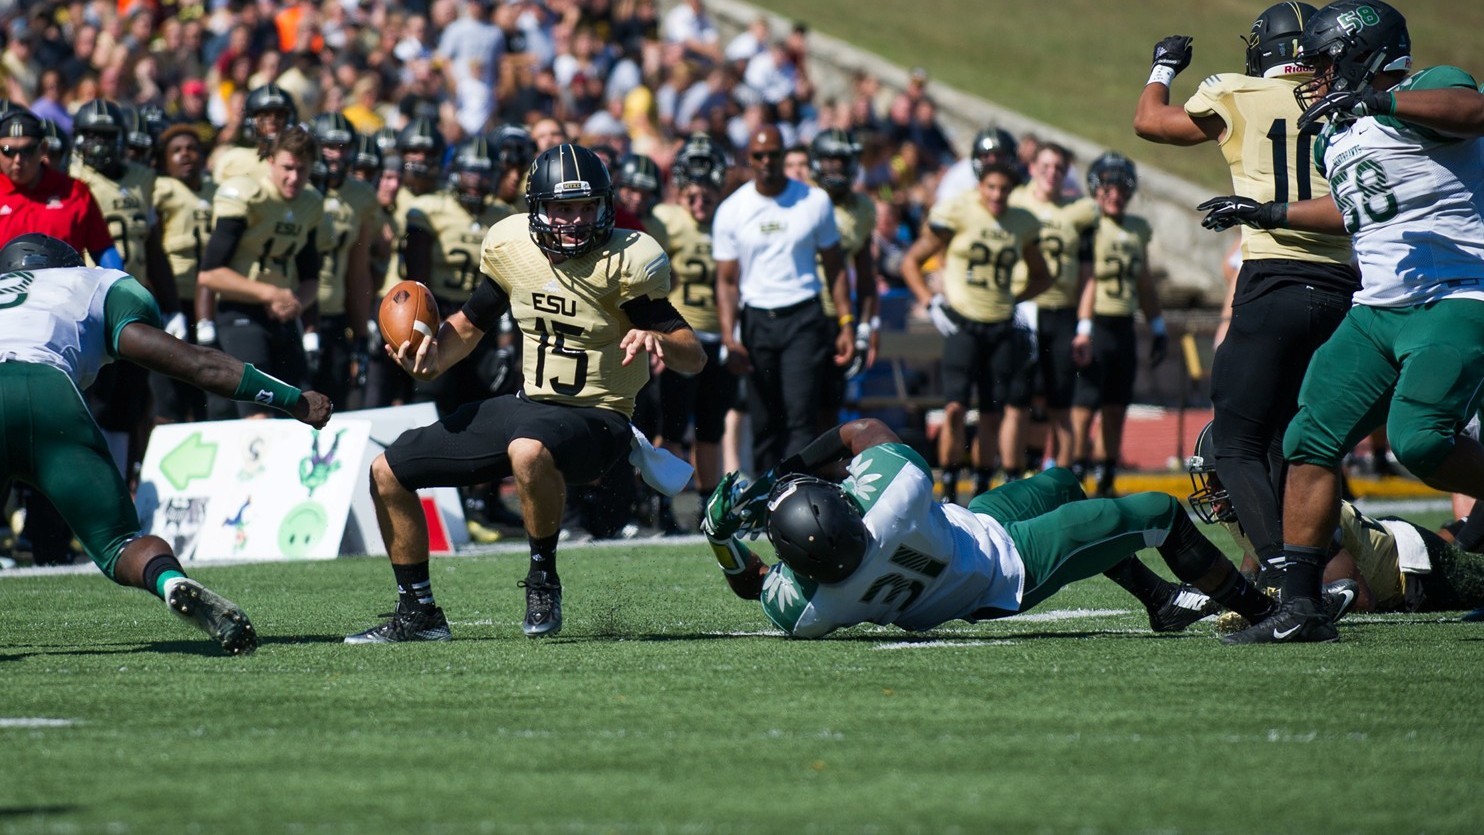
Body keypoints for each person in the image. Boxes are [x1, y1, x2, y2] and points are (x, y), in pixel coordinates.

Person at [1198, 0, 1484, 642]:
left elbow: (1474, 115)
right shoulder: (1336, 133)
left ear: (1363, 55)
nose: (1313, 74)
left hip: (1457, 296)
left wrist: (1380, 104)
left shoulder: (1431, 88)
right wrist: (1269, 213)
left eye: (1324, 61)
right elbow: (1351, 212)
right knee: (1308, 438)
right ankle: (1301, 605)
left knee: (1419, 439)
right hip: (1375, 308)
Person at [346, 143, 706, 643]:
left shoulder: (627, 260)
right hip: (531, 404)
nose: (577, 221)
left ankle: (542, 579)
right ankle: (419, 613)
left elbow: (694, 355)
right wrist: (430, 359)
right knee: (387, 471)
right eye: (563, 209)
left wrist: (658, 339)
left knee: (528, 448)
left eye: (586, 207)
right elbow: (470, 323)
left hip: (601, 419)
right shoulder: (513, 246)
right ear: (536, 209)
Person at [0, 233, 332, 654]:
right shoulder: (93, 283)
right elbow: (198, 365)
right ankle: (169, 580)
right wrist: (293, 399)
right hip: (48, 393)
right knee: (121, 544)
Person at [1133, 4, 1359, 587]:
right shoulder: (1344, 101)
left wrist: (1163, 67)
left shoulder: (1236, 93)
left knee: (1235, 443)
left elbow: (1150, 123)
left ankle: (1285, 579)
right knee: (1293, 436)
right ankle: (1317, 572)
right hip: (1343, 288)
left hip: (1273, 279)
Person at [699, 418, 1277, 638]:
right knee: (1157, 512)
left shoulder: (809, 608)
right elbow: (861, 430)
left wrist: (721, 538)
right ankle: (1261, 612)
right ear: (846, 507)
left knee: (1060, 484)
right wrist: (785, 473)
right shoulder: (895, 496)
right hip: (1002, 567)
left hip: (959, 547)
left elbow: (754, 584)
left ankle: (1159, 600)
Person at [1186, 421, 1481, 618]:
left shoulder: (1296, 513)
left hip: (1414, 570)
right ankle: (1465, 526)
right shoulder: (1247, 507)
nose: (1210, 491)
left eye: (1216, 479)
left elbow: (1360, 597)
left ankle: (1470, 524)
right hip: (1381, 543)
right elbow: (1257, 556)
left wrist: (1273, 602)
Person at [900, 153, 1052, 502]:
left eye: (1003, 189)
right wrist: (931, 301)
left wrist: (1015, 298)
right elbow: (911, 261)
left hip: (999, 325)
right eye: (991, 187)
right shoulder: (959, 211)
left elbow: (1043, 274)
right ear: (980, 187)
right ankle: (949, 486)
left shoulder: (1022, 221)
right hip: (962, 324)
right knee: (954, 408)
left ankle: (981, 486)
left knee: (990, 412)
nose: (997, 195)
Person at [713, 125, 855, 475]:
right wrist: (729, 336)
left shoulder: (813, 201)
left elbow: (835, 269)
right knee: (763, 417)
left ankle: (799, 490)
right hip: (757, 317)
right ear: (749, 158)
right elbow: (727, 281)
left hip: (803, 314)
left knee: (801, 414)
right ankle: (767, 496)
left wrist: (846, 321)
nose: (766, 162)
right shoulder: (733, 209)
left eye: (773, 155)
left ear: (784, 156)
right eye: (759, 156)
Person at [198, 125, 324, 420]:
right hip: (240, 314)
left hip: (282, 318)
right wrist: (270, 292)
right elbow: (209, 274)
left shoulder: (311, 203)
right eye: (287, 168)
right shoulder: (249, 194)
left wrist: (297, 302)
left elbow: (311, 279)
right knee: (258, 415)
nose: (293, 177)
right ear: (270, 162)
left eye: (302, 170)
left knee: (304, 410)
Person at [650, 133, 738, 531]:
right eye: (693, 193)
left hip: (717, 338)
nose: (700, 201)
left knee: (710, 426)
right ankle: (660, 504)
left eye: (708, 192)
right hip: (678, 336)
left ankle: (708, 503)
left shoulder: (729, 222)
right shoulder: (666, 220)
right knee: (670, 426)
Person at [1069, 153, 1167, 498]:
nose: (1115, 194)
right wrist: (1081, 327)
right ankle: (1078, 470)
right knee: (1083, 405)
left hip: (1123, 324)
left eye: (1122, 188)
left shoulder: (1137, 228)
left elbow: (1143, 282)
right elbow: (1082, 280)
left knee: (1115, 406)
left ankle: (1107, 474)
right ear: (1096, 189)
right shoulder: (1088, 225)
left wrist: (1157, 325)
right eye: (1109, 187)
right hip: (1091, 323)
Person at [1008, 141, 1099, 470]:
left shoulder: (1079, 211)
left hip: (1061, 311)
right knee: (1016, 402)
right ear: (1032, 168)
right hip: (1021, 310)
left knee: (1061, 403)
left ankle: (1061, 481)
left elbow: (1089, 275)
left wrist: (1084, 325)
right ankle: (1012, 477)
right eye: (1045, 166)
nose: (1051, 174)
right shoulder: (1014, 201)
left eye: (1058, 168)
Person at [307, 112, 379, 412]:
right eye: (329, 145)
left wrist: (360, 334)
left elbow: (358, 270)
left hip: (334, 312)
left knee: (332, 403)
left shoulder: (360, 195)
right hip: (293, 310)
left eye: (343, 146)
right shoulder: (297, 185)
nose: (336, 154)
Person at [809, 128, 880, 425]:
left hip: (838, 318)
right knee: (797, 404)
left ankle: (819, 472)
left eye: (843, 160)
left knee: (829, 406)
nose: (837, 167)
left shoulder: (862, 208)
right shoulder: (803, 199)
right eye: (830, 160)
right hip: (798, 311)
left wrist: (865, 328)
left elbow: (866, 277)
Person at [149, 124, 217, 424]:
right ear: (164, 160)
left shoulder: (217, 190)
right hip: (170, 298)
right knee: (167, 392)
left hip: (209, 303)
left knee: (206, 390)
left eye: (192, 148)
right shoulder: (161, 189)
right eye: (176, 151)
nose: (186, 155)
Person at [211, 82, 297, 184]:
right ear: (251, 120)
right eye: (264, 115)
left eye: (279, 115)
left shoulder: (299, 161)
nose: (272, 121)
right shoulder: (230, 158)